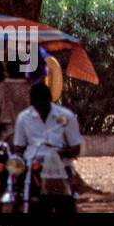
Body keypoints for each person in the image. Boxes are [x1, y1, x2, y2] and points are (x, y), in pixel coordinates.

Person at [12, 81, 83, 213]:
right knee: (36, 207)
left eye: (43, 104)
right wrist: (18, 165)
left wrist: (58, 154)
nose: (40, 108)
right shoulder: (23, 118)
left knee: (64, 207)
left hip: (60, 169)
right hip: (34, 169)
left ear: (50, 100)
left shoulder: (66, 116)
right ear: (31, 102)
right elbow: (19, 147)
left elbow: (76, 148)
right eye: (37, 104)